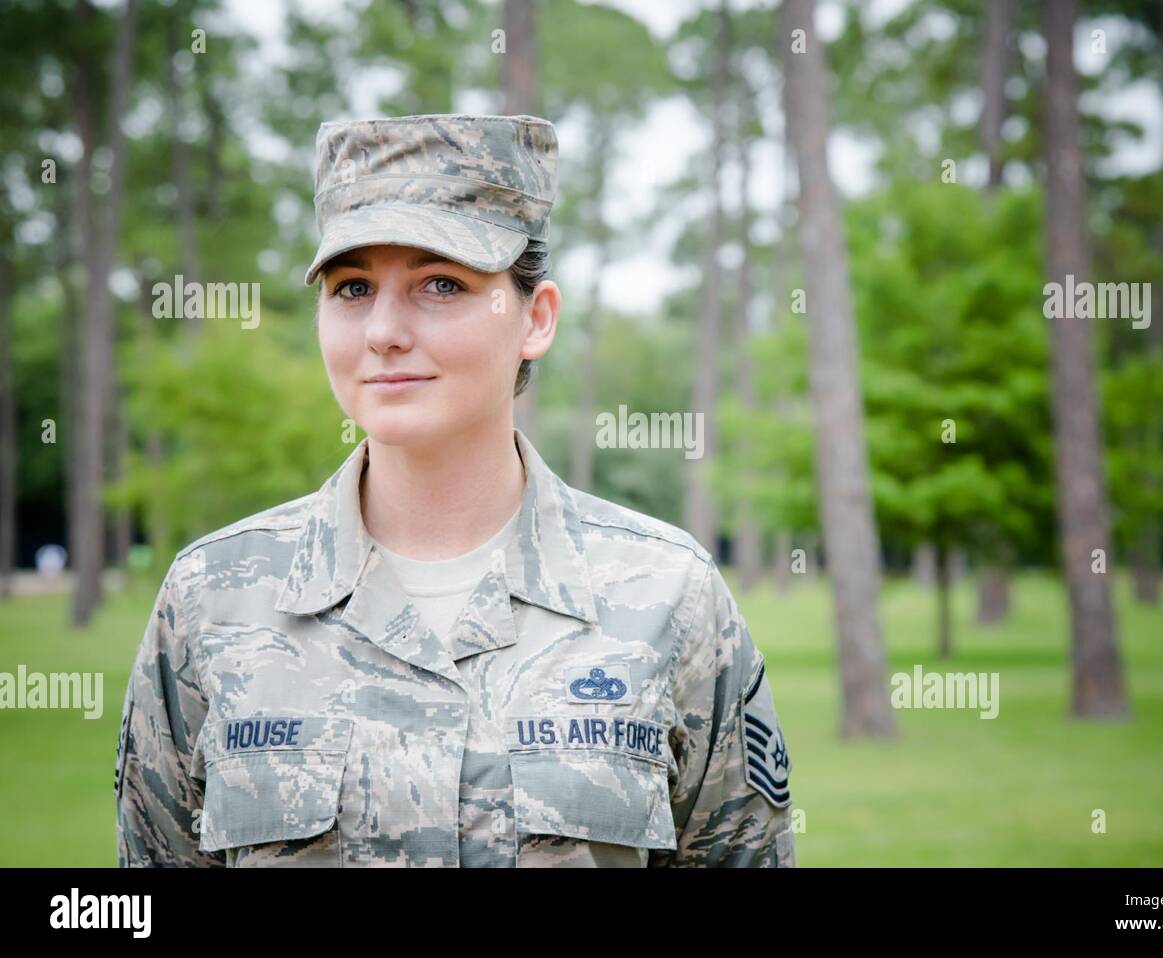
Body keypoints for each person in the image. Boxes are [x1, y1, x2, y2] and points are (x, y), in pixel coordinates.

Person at [114, 113, 795, 868]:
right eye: (352, 287)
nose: (383, 331)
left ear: (535, 319)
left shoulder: (669, 596)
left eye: (441, 284)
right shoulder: (213, 599)